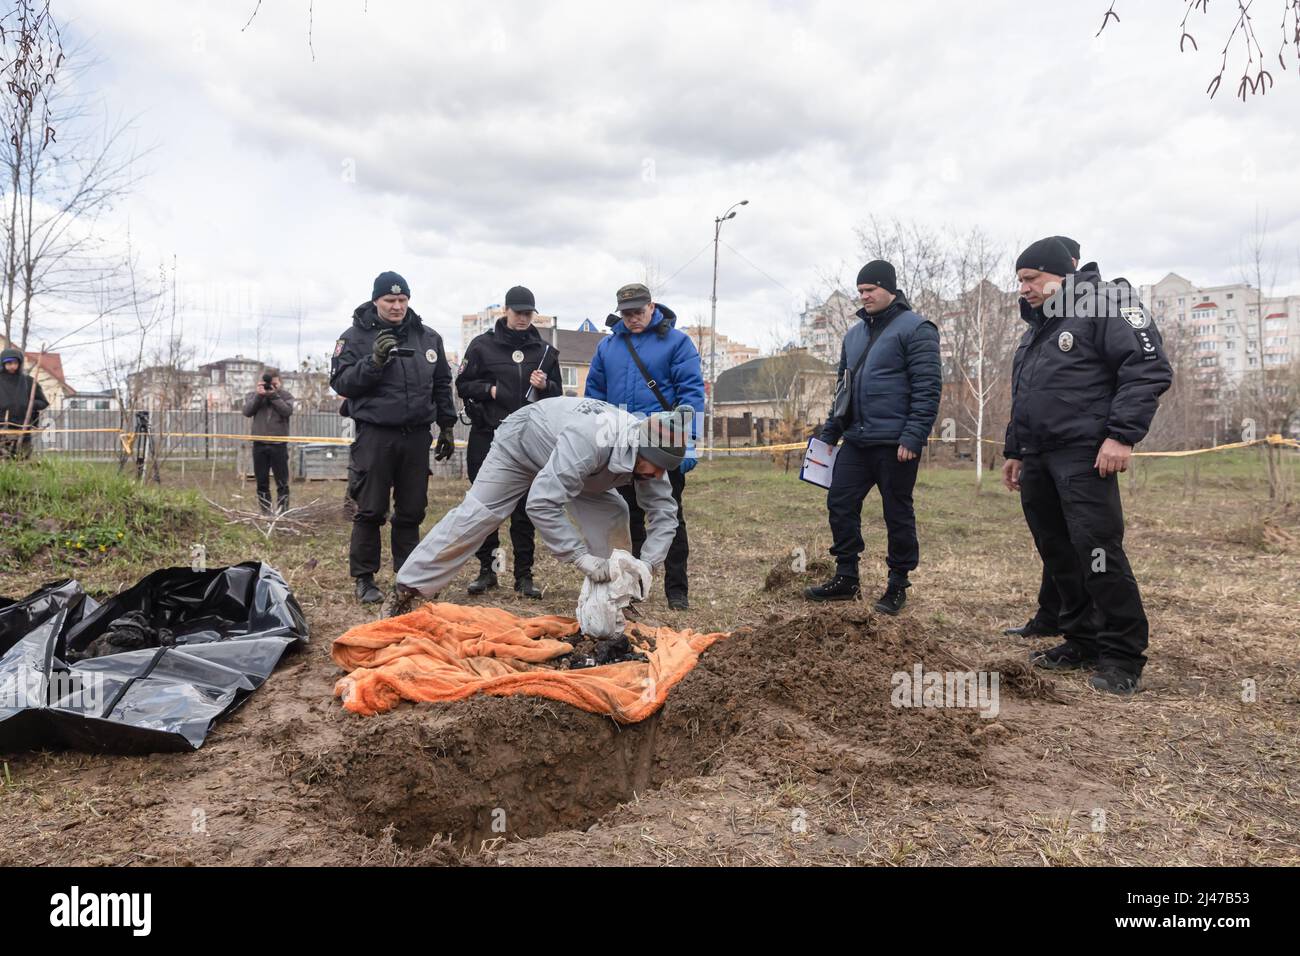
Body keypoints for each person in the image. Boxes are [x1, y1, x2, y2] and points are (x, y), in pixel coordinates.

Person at [1002, 237, 1172, 694]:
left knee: (1097, 552)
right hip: (1039, 455)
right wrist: (1015, 450)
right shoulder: (1038, 325)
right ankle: (1081, 639)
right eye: (1020, 281)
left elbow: (1147, 368)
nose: (1025, 289)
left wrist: (1122, 435)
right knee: (1058, 551)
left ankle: (1122, 655)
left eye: (1032, 278)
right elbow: (1027, 394)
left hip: (1085, 453)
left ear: (1063, 274)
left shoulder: (1107, 302)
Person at [385, 397, 686, 617]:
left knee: (614, 513)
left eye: (664, 470)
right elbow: (542, 502)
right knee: (478, 515)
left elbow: (665, 514)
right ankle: (408, 588)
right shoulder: (588, 440)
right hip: (522, 444)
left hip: (584, 471)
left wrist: (647, 563)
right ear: (637, 448)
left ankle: (615, 602)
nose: (658, 475)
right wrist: (579, 557)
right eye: (655, 467)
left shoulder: (656, 451)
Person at [805, 260, 942, 615]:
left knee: (897, 513)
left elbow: (928, 389)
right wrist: (830, 433)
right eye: (861, 291)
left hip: (896, 443)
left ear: (890, 289)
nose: (864, 296)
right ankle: (846, 577)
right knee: (840, 502)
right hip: (856, 440)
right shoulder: (853, 335)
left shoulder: (917, 329)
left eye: (871, 290)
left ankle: (897, 584)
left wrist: (913, 437)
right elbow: (842, 388)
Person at [330, 271, 457, 604]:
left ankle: (408, 575)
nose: (397, 306)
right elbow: (342, 383)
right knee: (370, 509)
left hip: (416, 435)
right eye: (390, 300)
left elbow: (442, 383)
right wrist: (374, 362)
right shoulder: (354, 337)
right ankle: (364, 578)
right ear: (376, 301)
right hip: (376, 434)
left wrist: (446, 424)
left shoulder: (427, 337)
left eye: (402, 300)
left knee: (412, 510)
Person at [584, 282, 705, 610]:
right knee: (625, 518)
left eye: (638, 311)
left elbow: (691, 394)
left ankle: (677, 590)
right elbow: (594, 398)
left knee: (669, 516)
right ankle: (629, 586)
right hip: (619, 447)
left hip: (660, 447)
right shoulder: (608, 347)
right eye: (626, 313)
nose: (632, 318)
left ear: (652, 307)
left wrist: (688, 443)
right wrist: (595, 442)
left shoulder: (677, 343)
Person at [455, 285, 563, 598]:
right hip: (487, 436)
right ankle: (489, 570)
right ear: (506, 311)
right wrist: (489, 390)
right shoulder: (481, 346)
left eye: (528, 313)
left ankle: (523, 577)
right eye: (518, 312)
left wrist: (546, 385)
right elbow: (463, 384)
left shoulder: (543, 352)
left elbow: (557, 398)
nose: (523, 318)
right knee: (485, 507)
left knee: (524, 510)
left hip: (528, 441)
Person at [241, 368, 295, 514]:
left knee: (282, 482)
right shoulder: (253, 395)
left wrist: (273, 396)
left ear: (279, 382)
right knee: (262, 481)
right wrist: (259, 396)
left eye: (274, 383)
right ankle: (265, 511)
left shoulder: (285, 395)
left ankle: (283, 511)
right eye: (267, 384)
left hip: (279, 445)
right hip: (259, 444)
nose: (270, 387)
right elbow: (247, 412)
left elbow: (287, 412)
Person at [0, 348, 48, 460]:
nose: (12, 366)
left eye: (15, 363)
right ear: (3, 363)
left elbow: (43, 402)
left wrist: (27, 404)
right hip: (2, 428)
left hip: (23, 428)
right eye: (9, 363)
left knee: (22, 458)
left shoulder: (28, 382)